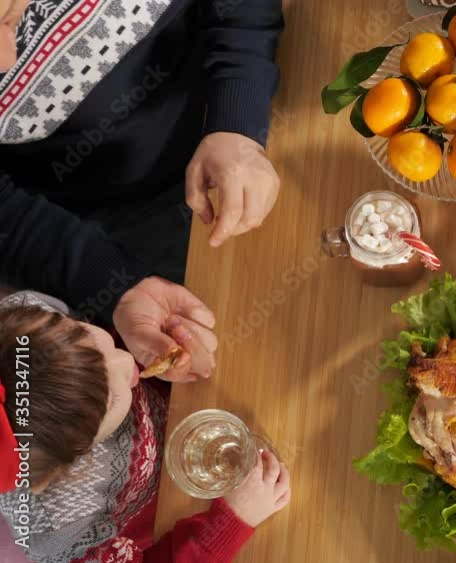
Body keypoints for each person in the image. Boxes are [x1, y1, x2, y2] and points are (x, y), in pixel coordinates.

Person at [0, 0, 282, 378]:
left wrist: (237, 119)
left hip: (259, 96)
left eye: (5, 18)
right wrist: (117, 285)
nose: (5, 60)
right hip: (116, 232)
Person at [0, 291, 291, 562]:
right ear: (75, 457)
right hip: (182, 510)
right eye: (110, 398)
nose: (124, 360)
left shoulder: (28, 319)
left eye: (82, 332)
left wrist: (145, 334)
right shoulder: (59, 526)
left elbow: (111, 321)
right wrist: (230, 522)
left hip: (193, 400)